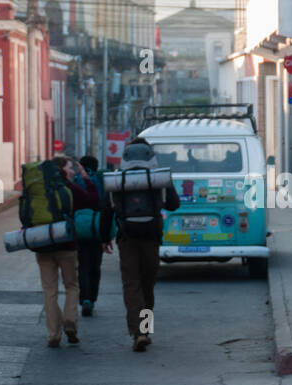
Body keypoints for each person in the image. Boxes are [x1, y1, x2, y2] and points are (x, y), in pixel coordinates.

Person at [106, 138, 180, 353]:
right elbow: (174, 205)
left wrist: (104, 238)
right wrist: (165, 185)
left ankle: (137, 332)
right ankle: (146, 330)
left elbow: (107, 210)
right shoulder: (157, 178)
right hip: (151, 237)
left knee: (131, 285)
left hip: (126, 238)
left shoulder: (117, 179)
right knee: (148, 285)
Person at [30, 156, 99, 348]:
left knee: (49, 290)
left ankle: (53, 334)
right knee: (71, 286)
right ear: (62, 169)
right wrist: (86, 178)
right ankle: (70, 321)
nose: (73, 171)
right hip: (66, 245)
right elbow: (92, 201)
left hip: (43, 244)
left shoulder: (40, 190)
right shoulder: (68, 188)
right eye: (70, 168)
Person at [77, 155, 108, 317]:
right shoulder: (101, 181)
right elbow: (106, 206)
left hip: (80, 229)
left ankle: (84, 299)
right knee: (95, 266)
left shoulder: (76, 180)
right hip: (97, 228)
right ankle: (93, 298)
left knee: (82, 266)